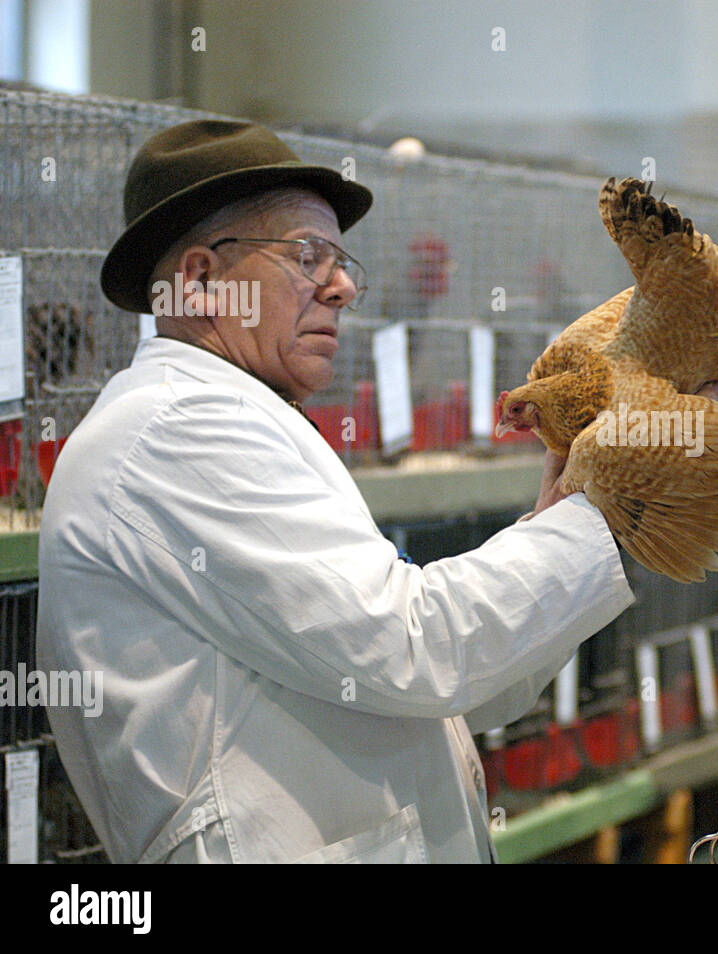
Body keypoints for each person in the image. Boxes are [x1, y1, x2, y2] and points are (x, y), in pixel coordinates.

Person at [35, 120, 634, 863]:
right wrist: (607, 513)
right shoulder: (177, 427)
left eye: (341, 260)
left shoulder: (233, 415)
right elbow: (413, 646)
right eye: (306, 256)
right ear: (197, 280)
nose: (344, 286)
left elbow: (462, 687)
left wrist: (570, 512)